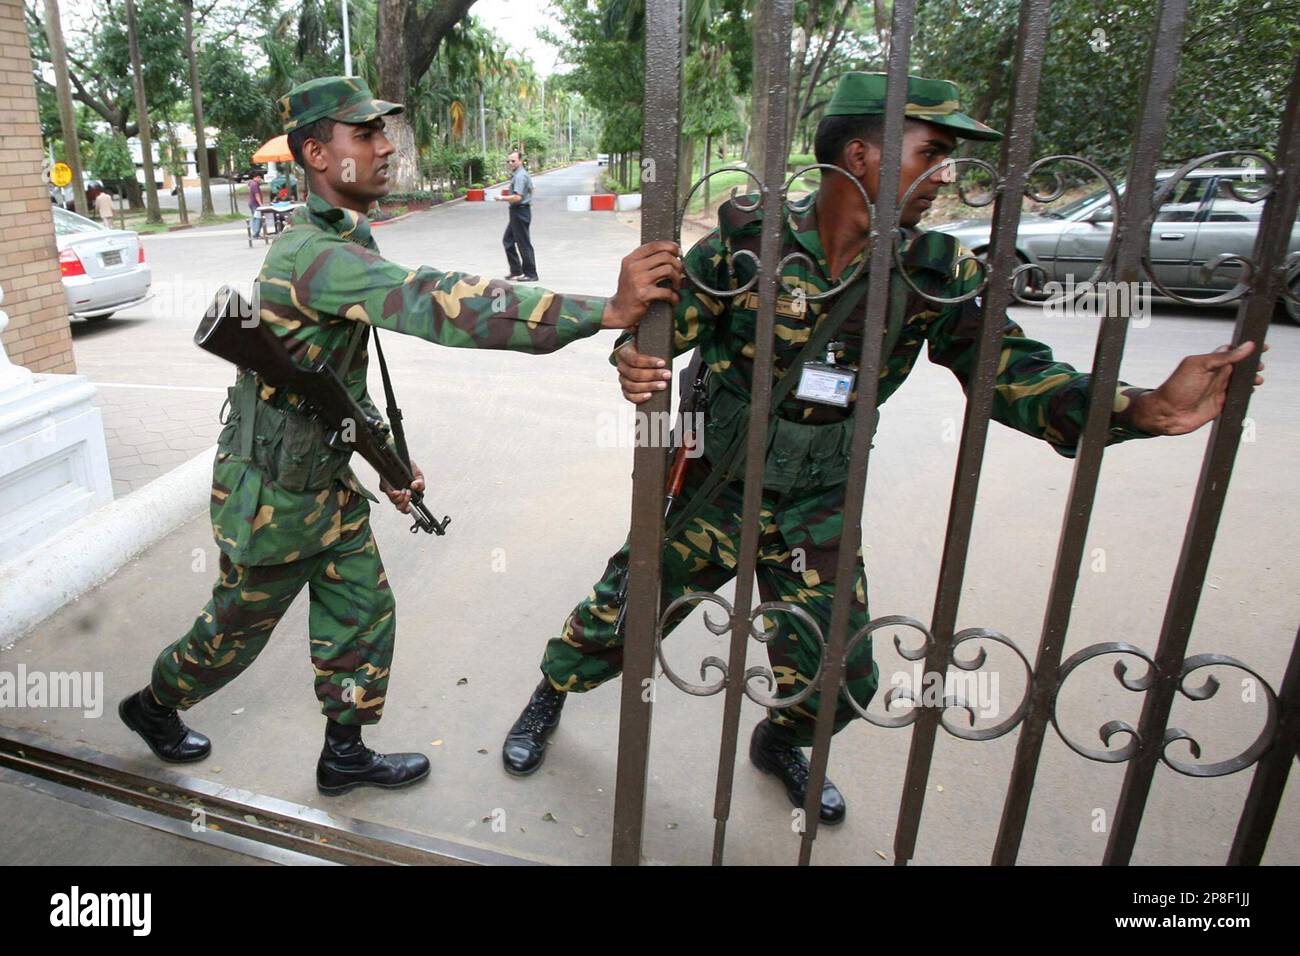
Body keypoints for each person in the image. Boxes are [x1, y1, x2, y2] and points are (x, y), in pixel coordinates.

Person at [500, 72, 1267, 824]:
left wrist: (1144, 408)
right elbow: (662, 336)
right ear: (863, 155)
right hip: (714, 481)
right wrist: (634, 360)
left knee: (840, 676)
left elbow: (1013, 376)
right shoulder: (746, 239)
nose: (942, 176)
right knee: (623, 613)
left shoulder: (934, 270)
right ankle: (554, 691)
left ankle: (778, 742)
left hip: (817, 503)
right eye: (929, 152)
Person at [118, 75, 683, 796]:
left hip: (321, 479)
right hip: (274, 499)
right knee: (231, 635)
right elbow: (437, 302)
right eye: (367, 134)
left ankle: (344, 754)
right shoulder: (313, 256)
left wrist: (387, 461)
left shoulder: (342, 237)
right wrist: (602, 310)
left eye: (384, 132)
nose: (386, 147)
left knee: (362, 609)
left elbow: (325, 384)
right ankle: (155, 704)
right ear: (319, 154)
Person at [501, 150, 537, 282]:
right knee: (508, 240)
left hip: (520, 211)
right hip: (517, 211)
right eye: (508, 161)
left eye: (513, 161)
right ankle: (516, 271)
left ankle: (531, 273)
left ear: (520, 161)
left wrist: (502, 198)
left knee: (523, 243)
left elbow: (517, 197)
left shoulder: (520, 175)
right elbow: (532, 188)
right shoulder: (519, 174)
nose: (510, 163)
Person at [247, 173, 266, 238]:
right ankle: (256, 234)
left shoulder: (252, 183)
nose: (260, 179)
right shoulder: (254, 184)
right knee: (257, 218)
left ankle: (257, 233)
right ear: (255, 177)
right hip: (255, 204)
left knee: (256, 218)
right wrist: (261, 204)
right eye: (259, 178)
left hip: (253, 203)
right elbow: (257, 195)